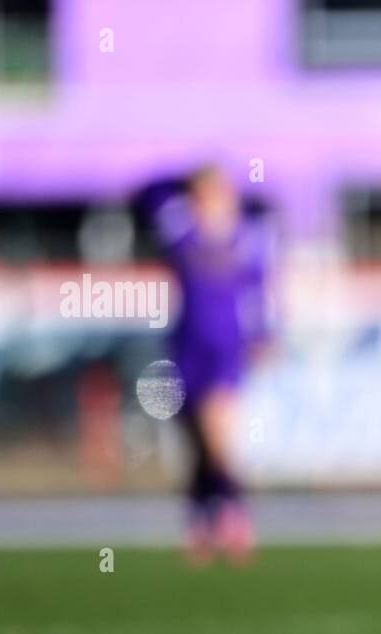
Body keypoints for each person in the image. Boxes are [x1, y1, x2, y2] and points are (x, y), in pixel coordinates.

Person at [142, 165, 271, 565]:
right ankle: (200, 517)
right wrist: (184, 178)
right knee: (195, 444)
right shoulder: (182, 234)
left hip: (225, 349)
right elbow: (149, 194)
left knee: (216, 437)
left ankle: (234, 513)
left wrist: (262, 334)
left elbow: (258, 291)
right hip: (186, 348)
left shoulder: (244, 240)